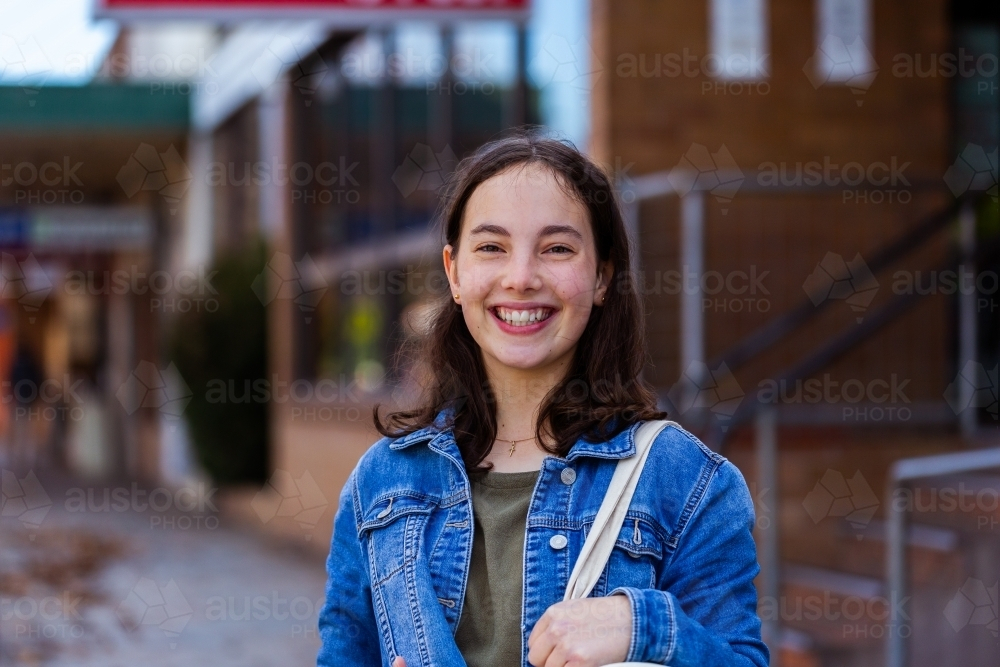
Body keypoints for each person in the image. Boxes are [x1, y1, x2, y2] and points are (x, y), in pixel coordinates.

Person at [317, 131, 769, 667]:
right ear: (454, 272)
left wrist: (643, 626)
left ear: (602, 276)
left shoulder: (687, 483)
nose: (522, 277)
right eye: (491, 247)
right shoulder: (382, 483)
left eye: (557, 248)